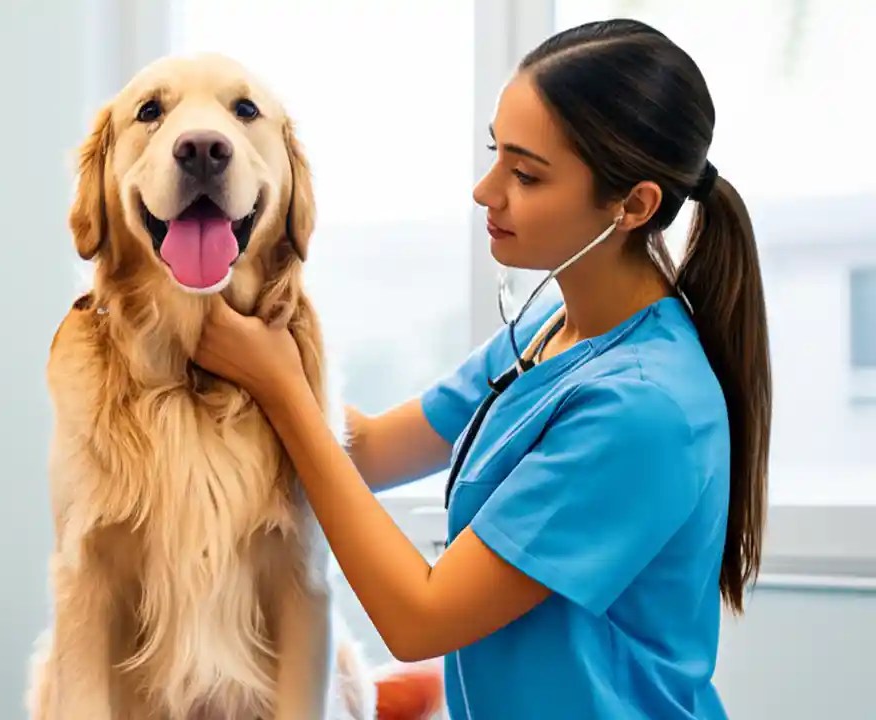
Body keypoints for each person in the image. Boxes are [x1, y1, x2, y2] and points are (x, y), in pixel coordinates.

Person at [192, 18, 772, 720]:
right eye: (496, 153)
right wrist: (223, 362)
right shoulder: (551, 330)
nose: (485, 190)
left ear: (633, 205)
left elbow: (420, 618)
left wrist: (281, 388)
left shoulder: (646, 409)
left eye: (525, 174)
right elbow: (369, 449)